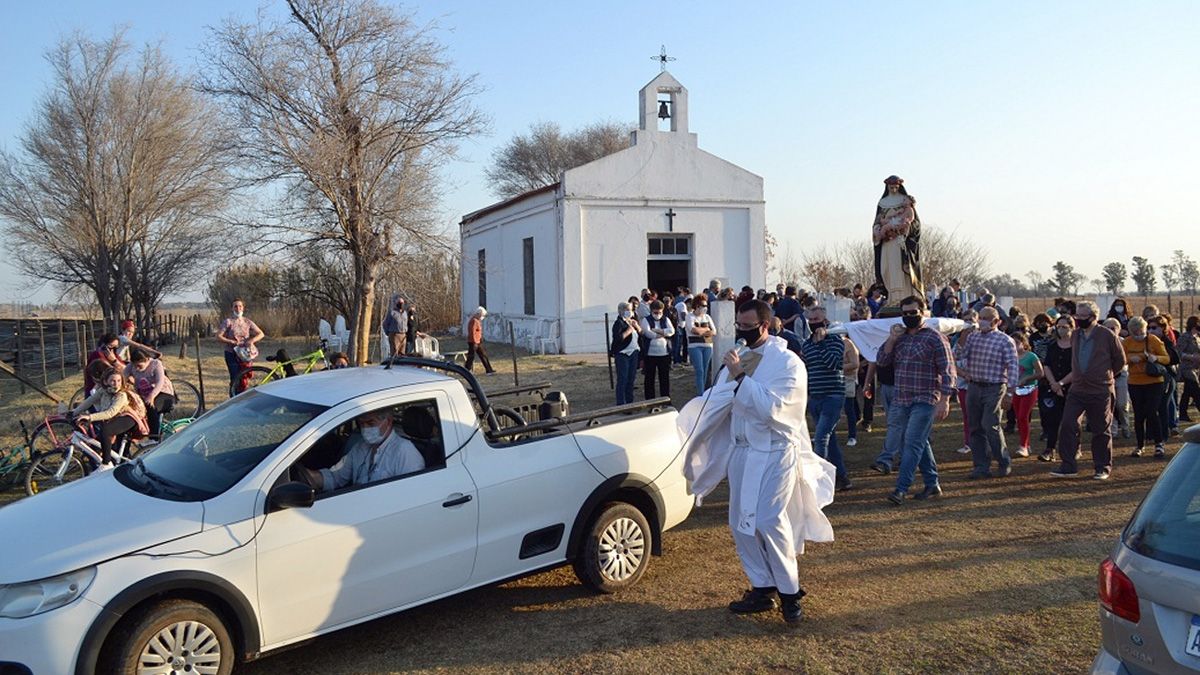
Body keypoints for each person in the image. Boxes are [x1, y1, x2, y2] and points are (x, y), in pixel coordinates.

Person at [678, 299, 835, 625]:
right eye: (739, 325)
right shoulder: (741, 358)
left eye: (748, 327)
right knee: (740, 522)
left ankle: (790, 592)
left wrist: (739, 378)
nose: (741, 332)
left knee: (768, 520)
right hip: (742, 452)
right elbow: (719, 403)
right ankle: (762, 587)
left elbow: (776, 410)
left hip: (775, 452)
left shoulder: (788, 363)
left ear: (765, 326)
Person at [876, 295, 954, 504]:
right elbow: (882, 361)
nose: (909, 316)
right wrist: (892, 339)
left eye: (913, 312)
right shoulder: (899, 337)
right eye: (905, 313)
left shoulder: (935, 337)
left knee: (911, 443)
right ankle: (932, 483)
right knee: (919, 442)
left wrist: (945, 399)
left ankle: (901, 489)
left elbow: (948, 370)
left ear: (923, 311)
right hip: (901, 397)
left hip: (926, 397)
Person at [1050, 301, 1126, 480]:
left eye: (1083, 317)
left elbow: (1120, 360)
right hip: (1077, 389)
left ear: (1093, 317)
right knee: (1068, 424)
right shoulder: (1075, 335)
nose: (1079, 320)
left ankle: (1102, 467)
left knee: (1101, 429)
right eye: (1078, 316)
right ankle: (1068, 465)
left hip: (1100, 389)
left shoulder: (1106, 335)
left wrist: (1105, 375)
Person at [298, 409, 425, 491]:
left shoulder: (405, 452)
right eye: (361, 424)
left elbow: (410, 497)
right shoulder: (361, 447)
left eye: (370, 423)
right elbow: (336, 476)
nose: (365, 429)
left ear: (388, 421)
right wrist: (309, 476)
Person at [959, 306, 1019, 477]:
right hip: (974, 386)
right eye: (981, 317)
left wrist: (1010, 393)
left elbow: (1012, 367)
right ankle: (981, 466)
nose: (982, 320)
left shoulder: (1005, 341)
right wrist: (962, 339)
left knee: (990, 425)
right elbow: (960, 356)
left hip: (995, 387)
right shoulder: (972, 337)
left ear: (996, 321)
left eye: (987, 318)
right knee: (975, 427)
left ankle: (1003, 460)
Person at [800, 306, 851, 491]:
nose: (813, 323)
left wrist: (821, 343)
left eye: (816, 319)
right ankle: (842, 476)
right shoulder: (806, 344)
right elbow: (807, 368)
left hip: (833, 394)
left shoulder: (835, 339)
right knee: (831, 439)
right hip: (815, 395)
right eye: (811, 320)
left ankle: (818, 480)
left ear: (825, 320)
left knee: (821, 438)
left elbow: (834, 363)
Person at [72, 368, 149, 468]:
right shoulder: (103, 391)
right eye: (113, 381)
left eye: (119, 381)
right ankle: (113, 464)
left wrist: (89, 417)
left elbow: (110, 413)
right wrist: (74, 412)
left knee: (106, 431)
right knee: (101, 444)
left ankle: (106, 463)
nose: (116, 384)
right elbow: (89, 401)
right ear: (105, 381)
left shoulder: (121, 395)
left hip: (128, 418)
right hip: (116, 418)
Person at [872, 176, 924, 311]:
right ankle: (892, 298)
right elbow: (877, 222)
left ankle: (904, 298)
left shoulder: (905, 202)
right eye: (891, 187)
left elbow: (915, 224)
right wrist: (878, 231)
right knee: (886, 269)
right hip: (887, 243)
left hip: (900, 243)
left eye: (895, 186)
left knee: (899, 268)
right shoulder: (882, 203)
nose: (893, 189)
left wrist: (903, 229)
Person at [1123, 316, 1168, 458]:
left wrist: (1155, 358)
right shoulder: (1126, 342)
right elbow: (1119, 358)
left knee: (1151, 411)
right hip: (1135, 382)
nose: (1138, 335)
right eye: (1134, 332)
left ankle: (1159, 444)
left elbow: (1166, 358)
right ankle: (1139, 445)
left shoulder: (1153, 340)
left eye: (1140, 332)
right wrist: (1130, 359)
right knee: (1138, 414)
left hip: (1154, 382)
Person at [1038, 316, 1075, 462]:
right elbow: (1046, 365)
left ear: (1072, 328)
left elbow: (1077, 368)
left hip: (1072, 387)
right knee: (1052, 420)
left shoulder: (1076, 346)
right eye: (1058, 326)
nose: (1061, 330)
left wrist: (1061, 383)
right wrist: (1054, 384)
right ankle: (1050, 449)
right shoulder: (1052, 345)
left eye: (1065, 327)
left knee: (1071, 422)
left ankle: (1073, 448)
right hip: (1053, 388)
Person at [123, 349, 176, 436]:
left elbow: (160, 382)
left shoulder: (156, 364)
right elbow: (123, 377)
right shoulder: (131, 366)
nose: (136, 368)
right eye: (135, 366)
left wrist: (152, 396)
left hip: (162, 392)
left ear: (147, 360)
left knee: (150, 406)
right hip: (144, 393)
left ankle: (153, 437)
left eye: (139, 366)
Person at [216, 299, 264, 393]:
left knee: (245, 376)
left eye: (240, 306)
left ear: (243, 308)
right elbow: (218, 336)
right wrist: (231, 341)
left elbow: (261, 333)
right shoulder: (228, 322)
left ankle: (243, 397)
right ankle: (233, 398)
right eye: (235, 306)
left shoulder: (248, 322)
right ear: (232, 308)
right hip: (231, 353)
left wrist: (251, 341)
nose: (238, 308)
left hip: (245, 353)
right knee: (235, 377)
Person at [1010, 333, 1043, 457]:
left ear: (1024, 343)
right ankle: (1026, 443)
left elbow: (1040, 373)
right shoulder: (1011, 357)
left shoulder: (1031, 356)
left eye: (1017, 343)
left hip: (1029, 389)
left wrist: (1028, 378)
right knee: (1019, 417)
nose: (1015, 345)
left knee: (1023, 416)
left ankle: (1023, 445)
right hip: (1016, 390)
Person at [1148, 315, 1180, 439]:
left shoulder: (1167, 342)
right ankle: (1151, 434)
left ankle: (1163, 434)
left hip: (1166, 378)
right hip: (1151, 377)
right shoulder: (1147, 342)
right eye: (1149, 328)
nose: (1151, 331)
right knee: (1151, 407)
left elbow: (1175, 359)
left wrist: (1159, 358)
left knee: (1162, 406)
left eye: (1154, 328)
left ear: (1163, 328)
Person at [640, 300, 675, 400]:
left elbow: (671, 331)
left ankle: (665, 400)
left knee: (664, 378)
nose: (658, 315)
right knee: (649, 378)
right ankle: (650, 400)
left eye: (660, 312)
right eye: (655, 312)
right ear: (651, 311)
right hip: (650, 354)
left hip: (664, 354)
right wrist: (663, 333)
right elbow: (648, 333)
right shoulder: (646, 320)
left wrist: (658, 331)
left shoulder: (666, 319)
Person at [610, 302, 641, 405]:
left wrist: (636, 326)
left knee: (631, 379)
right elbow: (618, 338)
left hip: (634, 352)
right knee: (623, 379)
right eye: (628, 310)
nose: (630, 312)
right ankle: (621, 403)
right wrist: (628, 330)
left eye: (631, 310)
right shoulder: (618, 323)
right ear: (621, 311)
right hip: (623, 354)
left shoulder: (631, 322)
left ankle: (630, 402)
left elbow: (641, 334)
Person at [685, 297, 715, 394]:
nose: (705, 308)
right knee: (699, 370)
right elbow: (693, 330)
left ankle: (704, 392)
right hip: (694, 346)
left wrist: (701, 331)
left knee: (705, 370)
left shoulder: (707, 317)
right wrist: (706, 330)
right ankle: (700, 394)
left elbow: (714, 331)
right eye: (704, 306)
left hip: (708, 345)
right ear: (697, 306)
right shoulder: (690, 316)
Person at [1178, 315, 1200, 422]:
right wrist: (1191, 357)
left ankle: (1182, 413)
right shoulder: (1185, 337)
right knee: (1196, 392)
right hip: (1187, 369)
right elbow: (1179, 352)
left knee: (1187, 392)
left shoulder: (1197, 337)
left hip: (1195, 369)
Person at [464, 307, 497, 375]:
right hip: (473, 342)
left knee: (483, 355)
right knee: (471, 357)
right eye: (482, 315)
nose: (483, 317)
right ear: (478, 314)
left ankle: (489, 370)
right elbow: (472, 332)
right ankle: (466, 371)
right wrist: (474, 341)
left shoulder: (477, 320)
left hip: (478, 342)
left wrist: (480, 339)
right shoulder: (473, 321)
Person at [842, 335, 861, 447]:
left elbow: (855, 364)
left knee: (849, 409)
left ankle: (852, 436)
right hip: (835, 379)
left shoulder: (848, 344)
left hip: (848, 380)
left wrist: (837, 367)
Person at [383, 294, 409, 361]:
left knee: (402, 354)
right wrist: (388, 333)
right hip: (394, 335)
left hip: (403, 335)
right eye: (399, 303)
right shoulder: (392, 313)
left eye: (402, 303)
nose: (401, 304)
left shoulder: (405, 313)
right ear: (396, 303)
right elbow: (385, 324)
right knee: (395, 353)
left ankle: (401, 368)